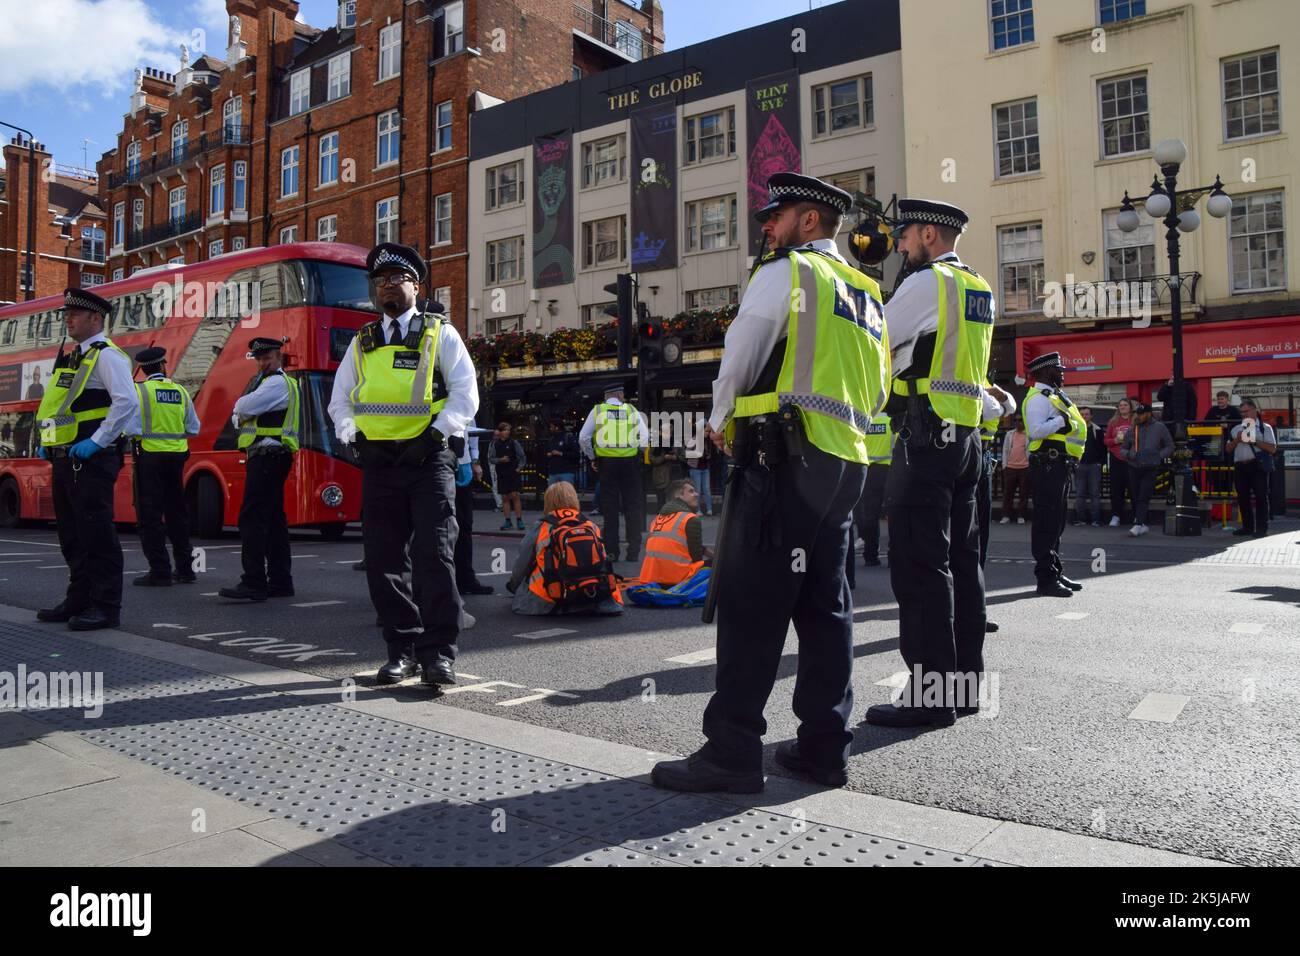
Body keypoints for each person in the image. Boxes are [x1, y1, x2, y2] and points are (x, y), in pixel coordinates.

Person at [652, 172, 888, 792]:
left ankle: (731, 753)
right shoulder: (865, 292)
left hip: (782, 460)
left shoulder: (789, 273)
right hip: (845, 466)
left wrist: (720, 420)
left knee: (752, 606)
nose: (766, 227)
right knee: (826, 609)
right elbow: (881, 387)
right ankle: (822, 749)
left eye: (775, 217)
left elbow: (743, 348)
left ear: (807, 221)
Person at [863, 197, 992, 729]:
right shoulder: (978, 287)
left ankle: (930, 696)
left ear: (930, 236)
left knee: (920, 569)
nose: (900, 246)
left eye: (906, 237)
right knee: (963, 566)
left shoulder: (926, 282)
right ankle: (961, 687)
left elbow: (877, 342)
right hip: (965, 441)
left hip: (923, 441)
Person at [327, 242, 479, 688]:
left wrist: (435, 435)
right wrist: (353, 438)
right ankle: (402, 650)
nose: (387, 286)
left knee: (434, 557)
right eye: (379, 281)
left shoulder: (440, 333)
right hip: (380, 463)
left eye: (396, 278)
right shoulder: (363, 341)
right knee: (383, 560)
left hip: (428, 459)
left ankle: (439, 655)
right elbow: (341, 402)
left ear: (416, 285)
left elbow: (465, 394)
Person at [34, 288, 139, 631]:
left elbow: (127, 403)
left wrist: (96, 441)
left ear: (96, 318)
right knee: (72, 535)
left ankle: (106, 607)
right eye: (67, 313)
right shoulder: (72, 356)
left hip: (91, 460)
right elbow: (62, 408)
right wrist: (46, 441)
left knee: (96, 534)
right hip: (65, 457)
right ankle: (79, 600)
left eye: (75, 313)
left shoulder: (107, 356)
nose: (68, 318)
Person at [217, 338, 300, 602]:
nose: (263, 363)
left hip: (267, 457)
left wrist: (242, 410)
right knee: (274, 521)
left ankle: (253, 582)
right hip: (271, 457)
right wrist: (242, 410)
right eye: (259, 359)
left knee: (252, 518)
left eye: (268, 358)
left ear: (279, 358)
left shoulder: (276, 383)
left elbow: (241, 408)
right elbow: (238, 412)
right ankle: (280, 581)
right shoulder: (269, 383)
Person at [129, 346, 200, 587]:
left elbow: (129, 428)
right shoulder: (181, 391)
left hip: (149, 457)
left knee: (149, 515)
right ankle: (186, 569)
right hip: (177, 457)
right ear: (162, 365)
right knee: (177, 514)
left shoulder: (140, 391)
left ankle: (159, 570)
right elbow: (194, 428)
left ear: (144, 368)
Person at [1023, 352, 1088, 597]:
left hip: (1059, 464)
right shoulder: (1039, 399)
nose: (1062, 373)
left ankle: (1055, 571)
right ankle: (1046, 578)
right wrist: (1060, 421)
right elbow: (1037, 431)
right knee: (1046, 522)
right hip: (1047, 464)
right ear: (1046, 372)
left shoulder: (1053, 396)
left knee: (1057, 522)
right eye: (1058, 370)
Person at [506, 481, 622, 616]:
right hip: (594, 593)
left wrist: (514, 586)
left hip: (550, 598)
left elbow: (522, 563)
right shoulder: (590, 525)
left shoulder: (542, 527)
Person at [579, 383, 648, 563]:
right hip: (630, 464)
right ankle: (633, 552)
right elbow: (646, 437)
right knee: (633, 507)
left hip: (607, 464)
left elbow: (584, 437)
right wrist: (638, 453)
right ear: (619, 394)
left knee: (610, 509)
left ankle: (612, 551)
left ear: (607, 395)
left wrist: (592, 457)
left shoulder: (598, 410)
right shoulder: (631, 410)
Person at [978, 383, 1016, 633]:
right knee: (965, 543)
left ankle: (973, 610)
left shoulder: (983, 379)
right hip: (963, 453)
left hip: (981, 457)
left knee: (980, 540)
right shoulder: (959, 372)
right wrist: (997, 401)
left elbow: (1009, 405)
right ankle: (962, 612)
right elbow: (994, 411)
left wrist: (1000, 396)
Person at [639, 478, 711, 586]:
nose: (696, 494)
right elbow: (696, 557)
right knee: (719, 564)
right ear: (678, 495)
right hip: (676, 579)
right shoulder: (690, 519)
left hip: (651, 579)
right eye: (691, 491)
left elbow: (677, 545)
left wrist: (709, 553)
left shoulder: (657, 519)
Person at [1119, 402, 1173, 537]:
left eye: (1142, 413)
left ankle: (1138, 523)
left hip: (1150, 467)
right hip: (1133, 466)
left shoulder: (1160, 427)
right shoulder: (1133, 429)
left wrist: (1158, 456)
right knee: (1135, 496)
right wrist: (1131, 455)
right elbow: (1123, 448)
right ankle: (1141, 523)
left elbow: (1169, 446)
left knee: (1144, 495)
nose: (1139, 416)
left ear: (1149, 414)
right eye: (1138, 413)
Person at [1227, 398, 1276, 538]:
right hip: (1240, 466)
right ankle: (1247, 527)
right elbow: (1228, 449)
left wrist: (1253, 440)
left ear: (1255, 411)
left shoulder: (1264, 428)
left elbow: (1272, 449)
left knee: (1261, 497)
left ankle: (1262, 529)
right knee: (1242, 498)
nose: (1244, 415)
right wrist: (1237, 440)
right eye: (1241, 412)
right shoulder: (1236, 428)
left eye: (1246, 411)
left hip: (1257, 465)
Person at [455, 426, 494, 595]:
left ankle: (465, 578)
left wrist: (475, 461)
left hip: (462, 468)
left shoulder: (466, 401)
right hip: (440, 465)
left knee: (464, 527)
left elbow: (472, 437)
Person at [856, 411, 893, 566]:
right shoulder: (891, 421)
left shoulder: (864, 420)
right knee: (893, 515)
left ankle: (870, 555)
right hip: (890, 470)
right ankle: (894, 556)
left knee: (870, 516)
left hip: (868, 471)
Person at [1104, 397, 1137, 526]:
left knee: (1134, 488)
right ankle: (1116, 516)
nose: (1122, 407)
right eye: (1120, 405)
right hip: (1116, 458)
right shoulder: (1113, 422)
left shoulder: (1136, 421)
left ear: (1130, 407)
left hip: (1132, 458)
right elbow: (1106, 440)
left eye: (1125, 405)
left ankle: (1137, 516)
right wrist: (1115, 441)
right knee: (1116, 489)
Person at [1071, 406, 1106, 527]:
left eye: (1086, 414)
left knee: (1095, 494)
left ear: (1091, 416)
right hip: (1080, 465)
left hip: (1094, 465)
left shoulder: (1097, 430)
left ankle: (1096, 519)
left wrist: (1100, 463)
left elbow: (1103, 448)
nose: (1084, 416)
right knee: (1080, 493)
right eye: (1082, 414)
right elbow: (1071, 447)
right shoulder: (1075, 430)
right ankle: (1081, 519)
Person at [491, 422, 525, 530]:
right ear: (500, 432)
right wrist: (500, 460)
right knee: (505, 498)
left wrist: (519, 468)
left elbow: (522, 456)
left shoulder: (514, 443)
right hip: (502, 473)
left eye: (508, 430)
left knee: (515, 496)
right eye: (505, 430)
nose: (507, 432)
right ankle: (508, 521)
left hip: (513, 472)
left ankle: (519, 520)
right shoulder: (495, 444)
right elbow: (491, 459)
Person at [999, 417, 1031, 524]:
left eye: (1020, 420)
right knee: (1008, 493)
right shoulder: (1009, 434)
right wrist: (1005, 465)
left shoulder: (1029, 435)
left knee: (1024, 493)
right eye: (1016, 420)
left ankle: (1021, 515)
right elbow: (1005, 449)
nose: (1018, 422)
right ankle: (1006, 515)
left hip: (1025, 467)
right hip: (1010, 467)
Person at [648, 421, 685, 507]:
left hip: (675, 474)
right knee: (661, 500)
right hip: (661, 475)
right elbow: (651, 458)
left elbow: (684, 457)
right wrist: (663, 458)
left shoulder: (676, 442)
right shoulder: (656, 443)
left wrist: (675, 457)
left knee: (675, 499)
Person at [545, 418, 580, 487]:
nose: (550, 429)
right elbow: (547, 452)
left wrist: (561, 453)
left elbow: (576, 454)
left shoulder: (568, 437)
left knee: (566, 495)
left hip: (566, 472)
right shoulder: (551, 440)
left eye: (551, 427)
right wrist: (549, 454)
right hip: (553, 472)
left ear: (557, 427)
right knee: (553, 495)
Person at [685, 431, 713, 516]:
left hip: (705, 467)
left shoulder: (708, 440)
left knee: (707, 489)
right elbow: (687, 452)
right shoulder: (694, 439)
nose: (707, 433)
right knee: (697, 490)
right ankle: (698, 509)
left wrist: (708, 455)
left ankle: (709, 509)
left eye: (708, 431)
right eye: (706, 431)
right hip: (695, 467)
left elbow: (710, 452)